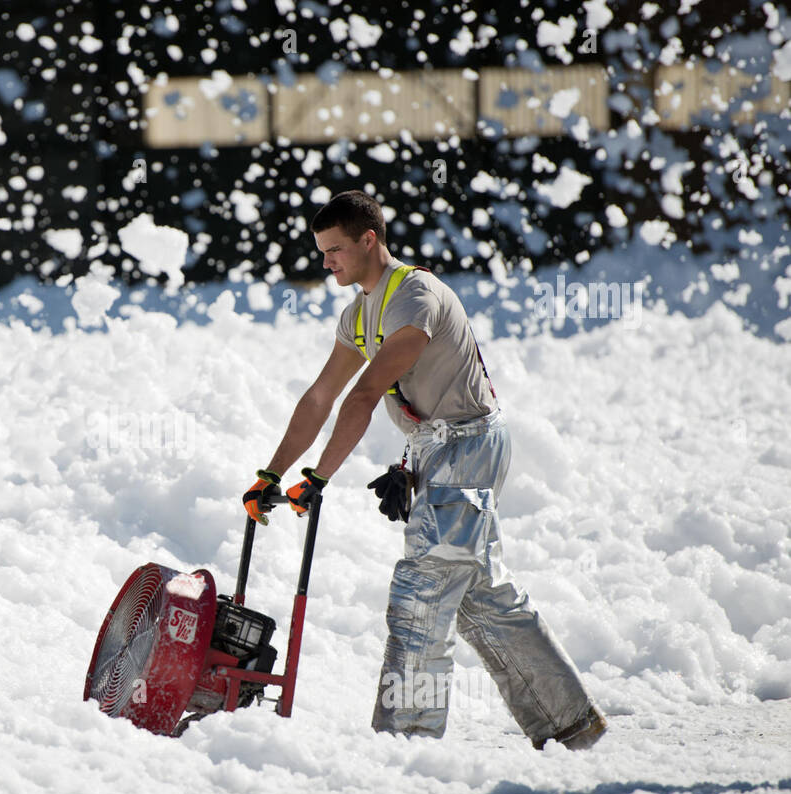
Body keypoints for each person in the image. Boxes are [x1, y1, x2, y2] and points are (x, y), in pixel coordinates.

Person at [243, 190, 607, 750]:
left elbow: (363, 395)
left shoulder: (414, 296)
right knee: (478, 593)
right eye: (321, 252)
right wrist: (270, 475)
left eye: (335, 250)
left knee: (424, 588)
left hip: (468, 445)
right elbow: (320, 397)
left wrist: (318, 478)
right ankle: (570, 722)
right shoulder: (358, 314)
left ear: (370, 240)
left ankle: (403, 742)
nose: (326, 262)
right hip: (436, 449)